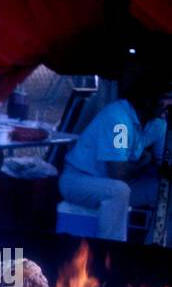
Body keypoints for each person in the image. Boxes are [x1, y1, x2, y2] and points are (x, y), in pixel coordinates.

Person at [60, 76, 168, 242]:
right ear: (147, 101)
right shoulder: (120, 120)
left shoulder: (157, 124)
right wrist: (144, 162)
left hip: (112, 183)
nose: (167, 103)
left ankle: (153, 250)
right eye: (163, 98)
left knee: (165, 191)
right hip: (78, 181)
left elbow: (165, 164)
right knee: (118, 191)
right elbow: (117, 173)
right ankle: (111, 252)